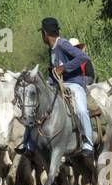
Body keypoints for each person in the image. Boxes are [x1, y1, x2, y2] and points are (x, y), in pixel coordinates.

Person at [17, 18, 95, 158]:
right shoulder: (51, 49)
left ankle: (88, 142)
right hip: (57, 85)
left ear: (45, 34)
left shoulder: (63, 44)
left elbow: (83, 57)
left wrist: (64, 68)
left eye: (42, 33)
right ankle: (28, 142)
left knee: (82, 110)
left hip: (74, 83)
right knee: (35, 105)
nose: (42, 36)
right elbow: (53, 71)